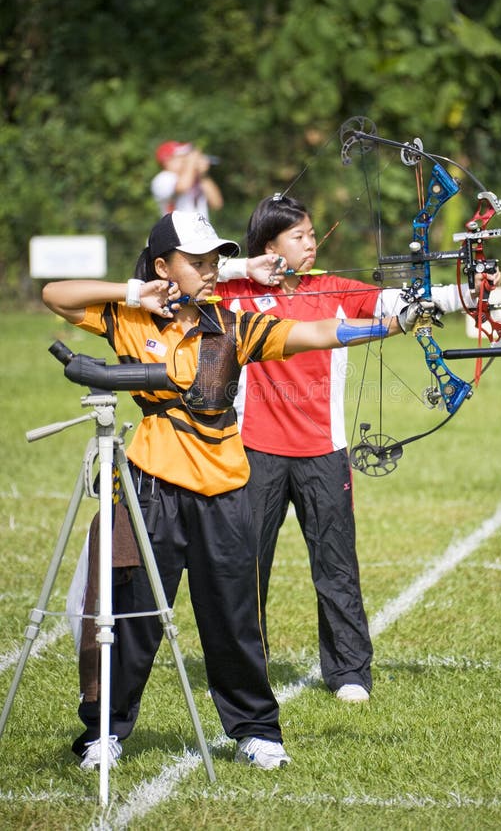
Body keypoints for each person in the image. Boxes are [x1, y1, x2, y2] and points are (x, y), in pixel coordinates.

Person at [41, 210, 415, 771]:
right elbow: (55, 295)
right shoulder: (129, 319)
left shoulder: (235, 323)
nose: (212, 270)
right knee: (134, 618)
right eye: (197, 261)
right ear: (164, 266)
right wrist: (134, 292)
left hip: (225, 495)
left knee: (233, 622)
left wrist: (390, 325)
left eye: (215, 259)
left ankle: (256, 732)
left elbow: (314, 332)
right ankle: (105, 732)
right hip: (150, 492)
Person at [216, 194, 501, 704]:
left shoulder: (333, 289)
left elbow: (406, 304)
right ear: (269, 246)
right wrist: (245, 267)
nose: (311, 243)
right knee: (246, 564)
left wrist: (469, 290)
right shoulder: (234, 292)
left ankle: (349, 671)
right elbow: (178, 279)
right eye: (298, 236)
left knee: (336, 564)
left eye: (310, 233)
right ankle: (243, 668)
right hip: (253, 449)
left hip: (323, 451)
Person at [150, 141, 224, 218]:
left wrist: (203, 175)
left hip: (201, 229)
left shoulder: (192, 176)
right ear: (167, 161)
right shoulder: (162, 178)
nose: (185, 160)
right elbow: (183, 187)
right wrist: (191, 163)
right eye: (181, 156)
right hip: (177, 229)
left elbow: (217, 204)